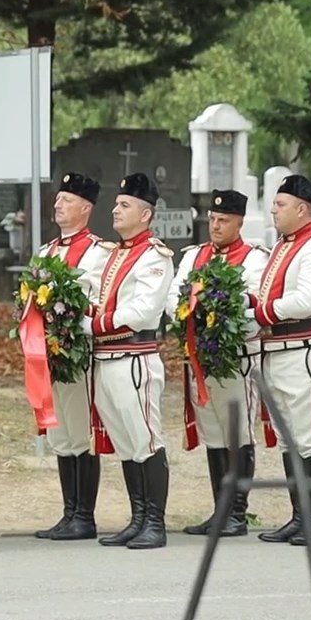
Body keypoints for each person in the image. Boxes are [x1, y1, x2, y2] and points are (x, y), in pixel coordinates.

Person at [245, 175, 311, 546]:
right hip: (280, 352)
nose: (273, 209)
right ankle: (299, 515)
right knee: (290, 440)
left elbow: (309, 301)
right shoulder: (284, 247)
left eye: (280, 204)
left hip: (307, 352)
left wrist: (259, 313)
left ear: (303, 209)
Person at [167, 189, 271, 537]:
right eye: (212, 219)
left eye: (223, 220)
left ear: (239, 221)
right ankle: (220, 509)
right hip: (200, 356)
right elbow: (173, 296)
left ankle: (237, 513)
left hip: (236, 357)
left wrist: (220, 307)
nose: (215, 225)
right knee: (213, 432)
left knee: (237, 432)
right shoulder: (194, 256)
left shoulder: (254, 258)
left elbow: (255, 300)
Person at [89, 173, 174, 550]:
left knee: (145, 439)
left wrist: (96, 323)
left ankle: (155, 521)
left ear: (145, 214)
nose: (115, 210)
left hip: (134, 356)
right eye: (116, 203)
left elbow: (143, 309)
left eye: (124, 205)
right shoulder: (114, 254)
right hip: (106, 356)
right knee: (125, 442)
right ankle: (138, 516)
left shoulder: (154, 255)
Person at [33, 172, 112, 542]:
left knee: (80, 432)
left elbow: (101, 298)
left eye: (66, 200)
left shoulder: (99, 251)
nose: (57, 205)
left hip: (80, 354)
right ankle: (68, 513)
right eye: (57, 199)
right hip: (49, 354)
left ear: (85, 207)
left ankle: (85, 515)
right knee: (61, 434)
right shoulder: (47, 251)